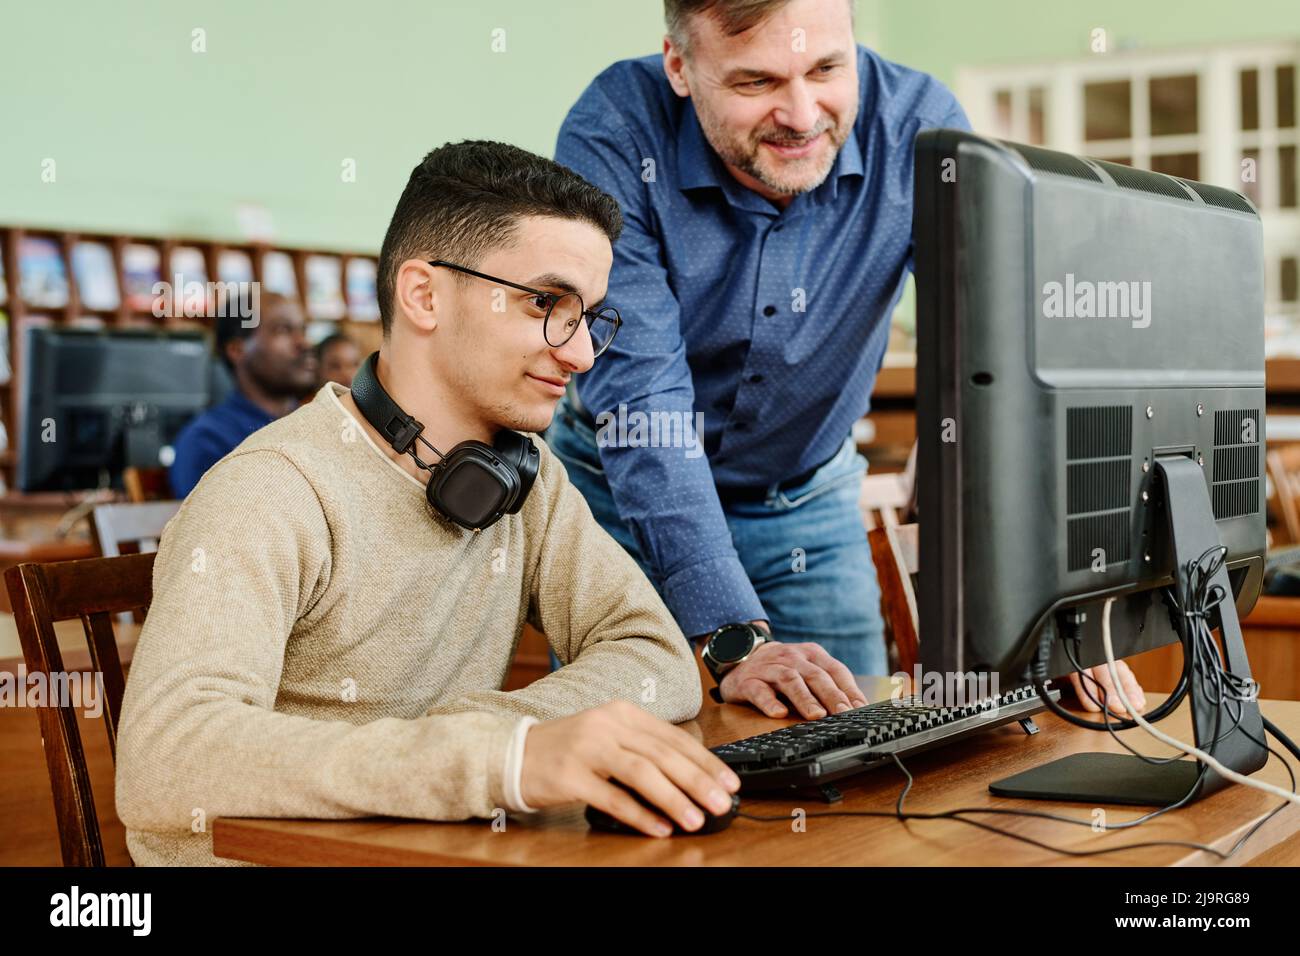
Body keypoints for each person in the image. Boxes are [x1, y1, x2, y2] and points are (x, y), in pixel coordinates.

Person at [114, 141, 741, 865]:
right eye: (546, 303)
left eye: (589, 316)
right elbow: (167, 760)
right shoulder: (271, 487)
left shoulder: (525, 477)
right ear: (424, 296)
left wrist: (508, 741)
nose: (581, 356)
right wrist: (497, 760)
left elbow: (656, 657)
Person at [549, 0, 1147, 719]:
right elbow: (644, 399)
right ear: (680, 66)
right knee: (633, 761)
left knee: (858, 752)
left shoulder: (921, 127)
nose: (802, 115)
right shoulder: (614, 130)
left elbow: (1006, 358)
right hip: (625, 497)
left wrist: (1061, 600)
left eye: (827, 68)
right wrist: (731, 640)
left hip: (809, 499)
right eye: (755, 84)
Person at [169, 292, 317, 496]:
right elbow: (211, 525)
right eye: (283, 330)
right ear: (237, 349)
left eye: (303, 330)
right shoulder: (208, 440)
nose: (304, 343)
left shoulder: (320, 423)